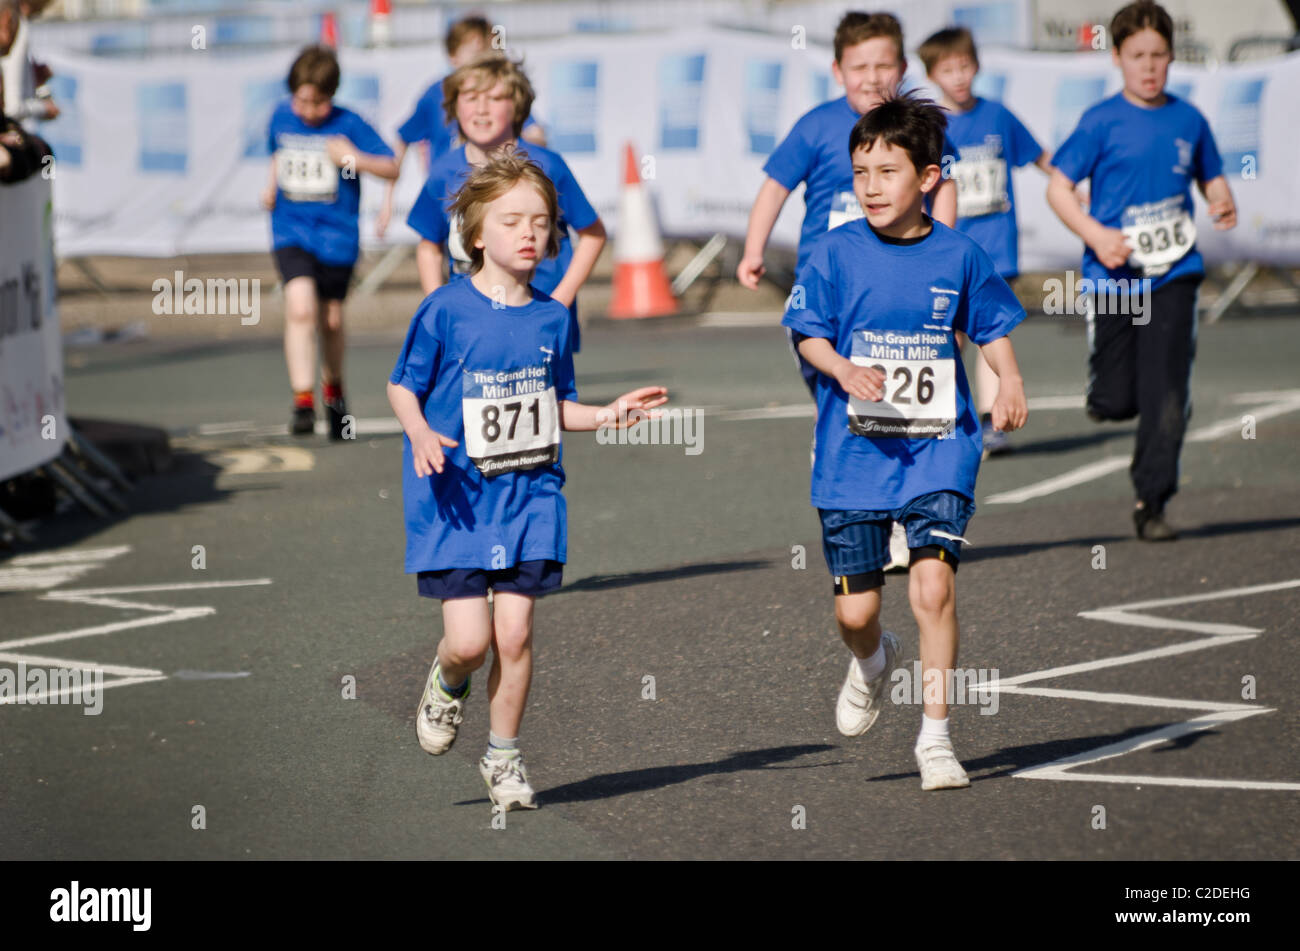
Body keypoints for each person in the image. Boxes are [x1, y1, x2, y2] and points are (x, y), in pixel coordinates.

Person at [387, 147, 666, 811]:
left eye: (541, 221)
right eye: (512, 221)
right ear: (477, 234)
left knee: (514, 635)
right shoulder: (444, 310)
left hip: (530, 498)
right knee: (470, 642)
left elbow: (555, 403)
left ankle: (503, 756)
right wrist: (422, 431)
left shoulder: (551, 317)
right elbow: (403, 386)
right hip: (456, 499)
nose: (530, 233)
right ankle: (447, 681)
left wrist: (607, 414)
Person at [781, 91, 1027, 790]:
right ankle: (870, 660)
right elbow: (807, 332)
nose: (870, 186)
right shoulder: (833, 252)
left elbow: (991, 325)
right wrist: (841, 366)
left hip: (937, 447)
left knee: (932, 587)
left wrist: (1007, 380)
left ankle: (937, 738)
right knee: (857, 611)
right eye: (860, 173)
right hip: (853, 457)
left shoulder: (959, 254)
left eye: (887, 172)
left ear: (928, 178)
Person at [738, 10, 959, 573]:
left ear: (905, 68)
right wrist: (753, 249)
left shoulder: (917, 132)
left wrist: (948, 255)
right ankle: (849, 487)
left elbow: (946, 188)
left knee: (897, 400)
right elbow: (773, 188)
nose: (872, 76)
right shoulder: (816, 127)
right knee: (845, 392)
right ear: (837, 70)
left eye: (884, 64)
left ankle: (910, 517)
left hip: (901, 287)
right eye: (860, 66)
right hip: (829, 296)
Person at [1046, 0, 1235, 541]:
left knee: (1167, 391)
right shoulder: (1100, 121)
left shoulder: (1189, 120)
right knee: (1115, 398)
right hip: (1115, 280)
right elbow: (1058, 187)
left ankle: (1151, 500)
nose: (1149, 67)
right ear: (1117, 58)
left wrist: (1221, 201)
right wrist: (1096, 235)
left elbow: (1213, 179)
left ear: (1173, 57)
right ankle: (1107, 393)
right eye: (1137, 56)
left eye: (1158, 55)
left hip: (1173, 273)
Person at [406, 53, 604, 352]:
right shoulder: (443, 171)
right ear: (454, 106)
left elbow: (593, 234)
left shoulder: (547, 166)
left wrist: (561, 300)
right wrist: (437, 306)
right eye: (471, 97)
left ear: (518, 107)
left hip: (536, 314)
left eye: (495, 98)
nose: (482, 109)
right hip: (470, 319)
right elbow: (429, 245)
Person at [920, 26, 1052, 458]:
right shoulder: (930, 126)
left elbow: (1039, 156)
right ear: (932, 74)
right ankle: (939, 413)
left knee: (990, 333)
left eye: (964, 67)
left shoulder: (997, 116)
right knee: (946, 335)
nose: (958, 77)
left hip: (995, 251)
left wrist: (1073, 182)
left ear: (976, 66)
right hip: (949, 251)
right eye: (947, 70)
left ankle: (993, 421)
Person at [260, 45, 398, 439]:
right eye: (301, 99)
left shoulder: (349, 124)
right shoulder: (280, 117)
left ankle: (333, 391)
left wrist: (353, 158)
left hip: (336, 236)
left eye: (317, 102)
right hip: (291, 229)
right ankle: (302, 401)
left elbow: (391, 167)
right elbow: (277, 155)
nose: (307, 110)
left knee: (331, 320)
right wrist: (269, 188)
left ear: (332, 97)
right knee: (300, 309)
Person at [375, 14, 546, 239]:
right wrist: (387, 202)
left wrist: (515, 147)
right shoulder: (436, 93)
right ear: (453, 56)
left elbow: (536, 135)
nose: (484, 56)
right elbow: (404, 138)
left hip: (497, 190)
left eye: (488, 48)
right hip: (451, 197)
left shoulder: (501, 94)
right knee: (452, 259)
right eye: (475, 49)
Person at [0, 0, 59, 132]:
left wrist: (32, 79)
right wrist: (44, 108)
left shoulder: (18, 23)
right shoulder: (16, 25)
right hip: (14, 132)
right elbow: (12, 107)